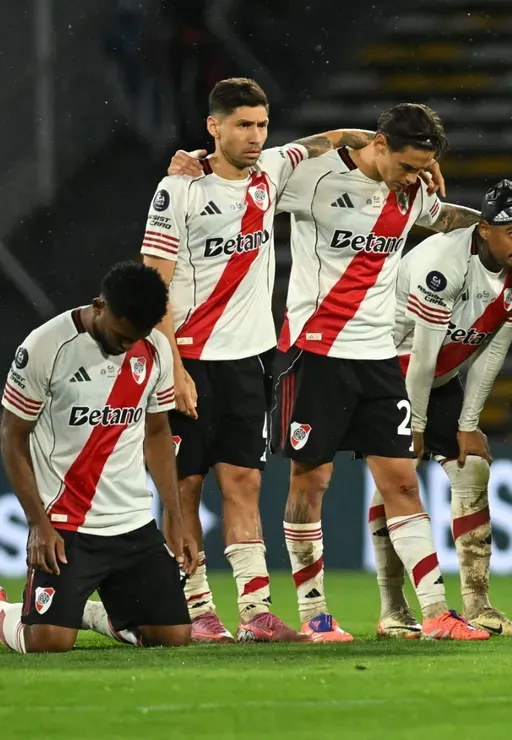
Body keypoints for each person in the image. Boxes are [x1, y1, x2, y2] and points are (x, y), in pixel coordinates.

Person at [146, 77, 385, 644]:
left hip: (248, 359)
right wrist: (173, 368)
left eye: (261, 125)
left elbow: (329, 139)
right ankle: (195, 606)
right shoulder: (177, 190)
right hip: (190, 358)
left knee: (244, 483)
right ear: (214, 127)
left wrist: (385, 143)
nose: (255, 137)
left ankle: (255, 611)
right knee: (183, 487)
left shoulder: (273, 170)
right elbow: (152, 289)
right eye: (242, 126)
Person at [372, 179, 512, 638]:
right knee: (398, 480)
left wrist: (469, 424)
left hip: (440, 374)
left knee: (472, 470)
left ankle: (480, 605)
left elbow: (493, 346)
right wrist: (419, 424)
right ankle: (394, 609)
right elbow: (422, 354)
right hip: (389, 370)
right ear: (484, 230)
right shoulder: (440, 264)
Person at [0, 262, 197, 653]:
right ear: (99, 305)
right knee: (47, 644)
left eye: (136, 338)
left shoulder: (154, 348)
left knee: (173, 637)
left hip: (132, 525)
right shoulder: (46, 346)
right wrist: (39, 523)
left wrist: (174, 515)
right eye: (121, 336)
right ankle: (5, 613)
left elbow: (156, 432)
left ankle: (85, 613)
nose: (127, 347)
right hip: (66, 526)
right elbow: (12, 437)